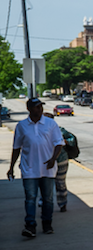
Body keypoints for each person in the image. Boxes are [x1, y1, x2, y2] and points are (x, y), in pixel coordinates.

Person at [8, 97, 64, 238]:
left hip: (47, 168)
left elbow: (59, 143)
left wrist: (53, 159)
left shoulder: (50, 124)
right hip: (29, 168)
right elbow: (16, 148)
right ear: (29, 109)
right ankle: (30, 226)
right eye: (36, 107)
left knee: (47, 199)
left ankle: (47, 223)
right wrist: (11, 167)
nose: (39, 110)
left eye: (40, 107)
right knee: (30, 198)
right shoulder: (21, 126)